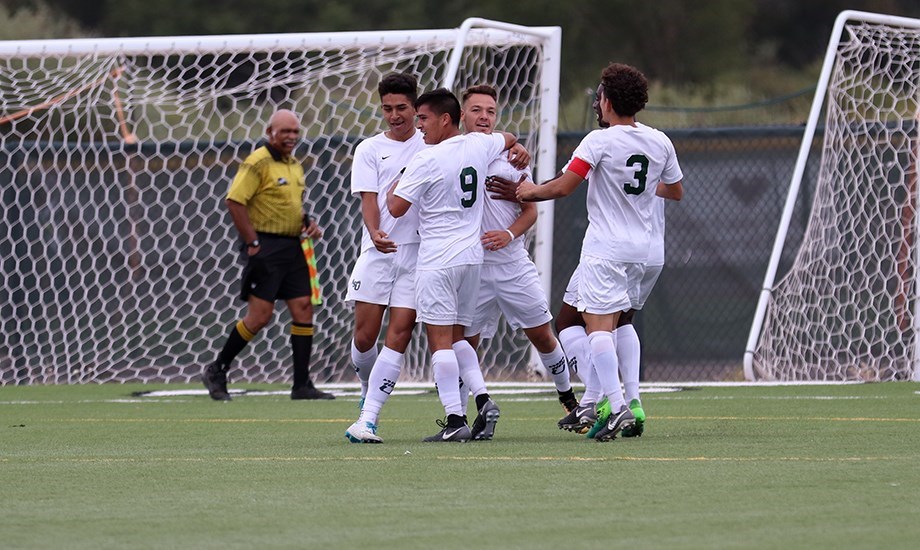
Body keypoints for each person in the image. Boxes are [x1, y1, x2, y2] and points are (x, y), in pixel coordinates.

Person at [516, 63, 683, 441]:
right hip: (645, 251)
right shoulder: (660, 140)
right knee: (617, 323)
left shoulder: (599, 141)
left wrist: (530, 192)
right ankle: (611, 401)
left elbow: (564, 187)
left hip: (606, 249)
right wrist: (638, 188)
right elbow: (675, 191)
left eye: (600, 95)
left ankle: (617, 406)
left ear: (607, 101)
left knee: (598, 327)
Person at [388, 88, 518, 442]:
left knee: (440, 342)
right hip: (472, 259)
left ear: (445, 119)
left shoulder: (426, 159)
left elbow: (396, 208)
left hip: (438, 260)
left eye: (423, 118)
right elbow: (508, 137)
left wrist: (396, 183)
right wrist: (516, 146)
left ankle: (455, 419)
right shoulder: (479, 144)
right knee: (460, 338)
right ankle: (484, 399)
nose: (418, 126)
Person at [458, 85, 579, 419]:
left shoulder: (512, 158)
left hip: (512, 263)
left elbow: (530, 210)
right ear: (462, 115)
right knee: (466, 342)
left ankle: (568, 398)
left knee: (542, 334)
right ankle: (460, 415)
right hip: (472, 266)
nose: (484, 117)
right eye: (476, 110)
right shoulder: (452, 152)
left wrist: (509, 233)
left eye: (490, 111)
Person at [202, 109, 334, 401]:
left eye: (295, 131)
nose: (291, 136)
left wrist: (307, 222)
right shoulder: (257, 162)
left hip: (293, 245)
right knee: (260, 316)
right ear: (270, 132)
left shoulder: (294, 165)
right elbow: (234, 201)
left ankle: (301, 385)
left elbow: (291, 206)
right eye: (285, 131)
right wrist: (252, 243)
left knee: (304, 307)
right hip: (266, 247)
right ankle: (217, 369)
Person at [344, 73, 427, 444]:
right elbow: (368, 199)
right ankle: (366, 386)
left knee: (401, 332)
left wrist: (513, 142)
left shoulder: (432, 143)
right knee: (365, 338)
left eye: (402, 108)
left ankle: (369, 417)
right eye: (388, 108)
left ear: (415, 107)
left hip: (419, 254)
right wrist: (375, 231)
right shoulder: (369, 149)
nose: (395, 115)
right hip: (378, 250)